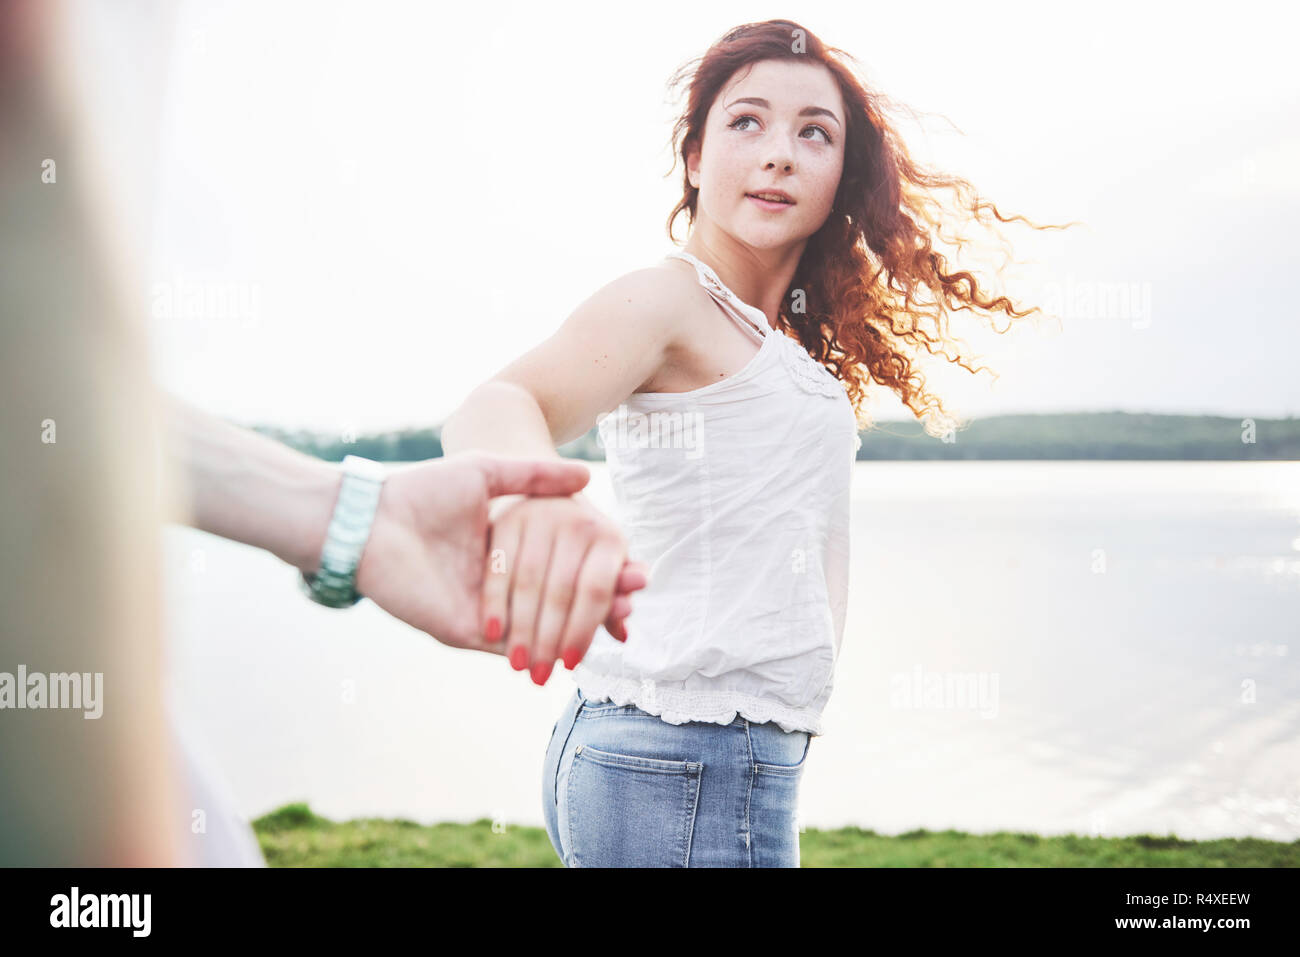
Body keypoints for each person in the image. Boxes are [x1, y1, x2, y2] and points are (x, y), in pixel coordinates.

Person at [441, 19, 1063, 866]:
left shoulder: (773, 339)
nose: (781, 153)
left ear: (841, 174)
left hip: (708, 752)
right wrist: (531, 511)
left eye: (816, 132)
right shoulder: (667, 302)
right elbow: (495, 403)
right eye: (747, 122)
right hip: (680, 753)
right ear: (695, 158)